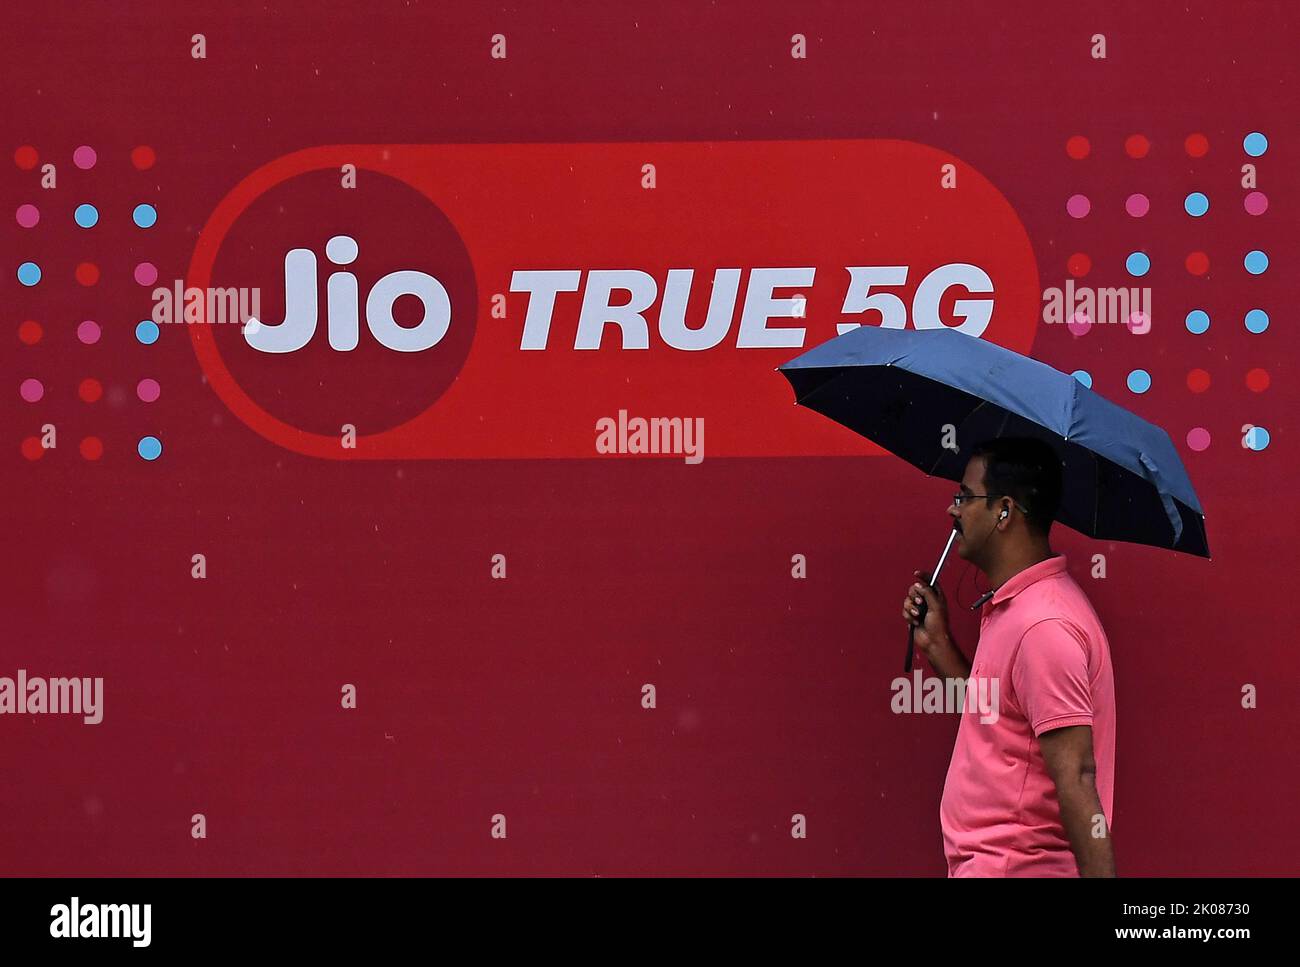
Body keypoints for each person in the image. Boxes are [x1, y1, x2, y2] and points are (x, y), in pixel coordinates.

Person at [901, 436, 1116, 877]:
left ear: (1003, 510)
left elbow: (1075, 776)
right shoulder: (1017, 607)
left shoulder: (1043, 627)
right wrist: (938, 645)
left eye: (964, 496)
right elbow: (997, 722)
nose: (952, 509)